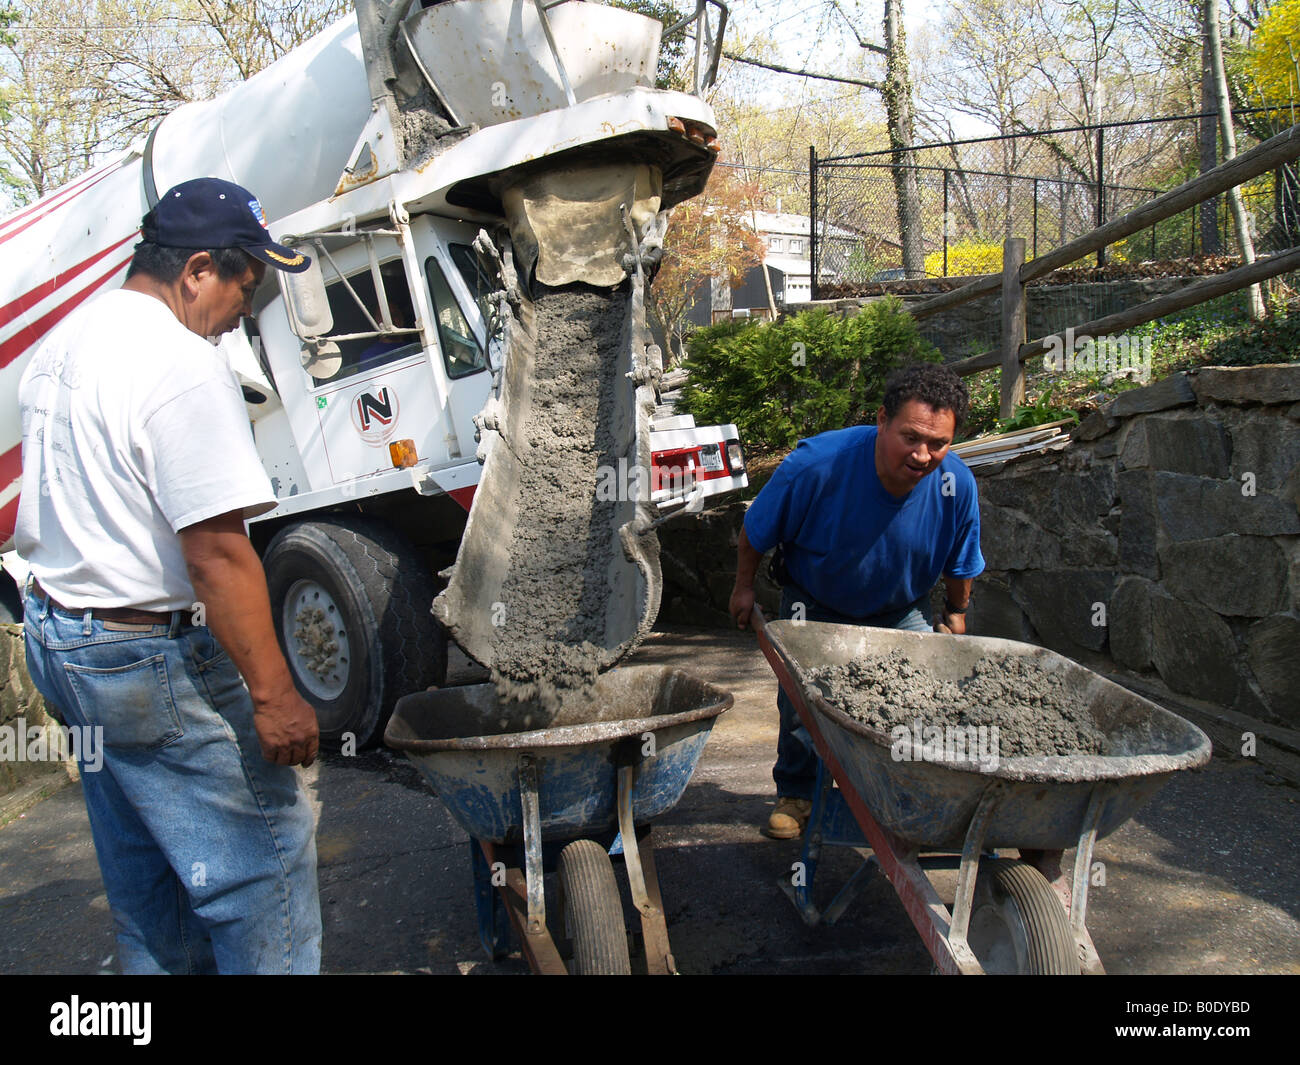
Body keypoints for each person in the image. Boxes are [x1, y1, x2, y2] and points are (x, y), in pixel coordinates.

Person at [17, 177, 323, 973]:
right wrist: (275, 695)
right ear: (195, 271)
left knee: (151, 880)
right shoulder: (180, 366)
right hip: (139, 657)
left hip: (61, 640)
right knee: (266, 869)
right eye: (244, 286)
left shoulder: (61, 348)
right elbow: (217, 554)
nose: (241, 312)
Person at [729, 362, 984, 839]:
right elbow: (755, 532)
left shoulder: (956, 487)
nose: (923, 454)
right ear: (882, 419)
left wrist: (955, 614)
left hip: (899, 609)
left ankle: (897, 791)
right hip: (816, 602)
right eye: (911, 436)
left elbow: (961, 564)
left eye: (939, 443)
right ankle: (798, 793)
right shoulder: (817, 466)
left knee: (917, 699)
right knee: (805, 704)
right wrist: (744, 587)